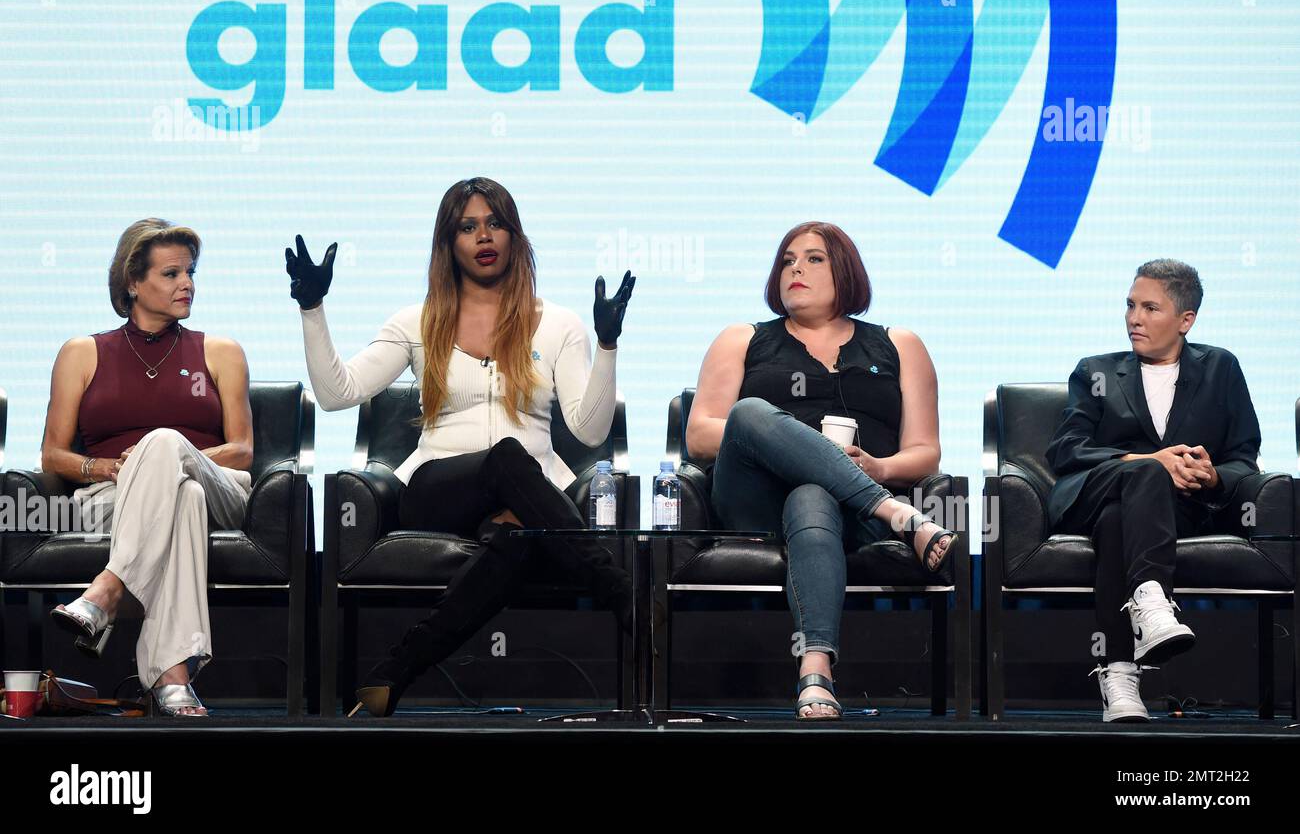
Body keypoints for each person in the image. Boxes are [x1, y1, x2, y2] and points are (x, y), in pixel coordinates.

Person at [287, 177, 636, 717]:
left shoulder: (560, 325)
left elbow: (589, 433)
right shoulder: (417, 321)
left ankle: (392, 674)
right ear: (449, 243)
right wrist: (313, 308)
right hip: (440, 487)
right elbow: (337, 394)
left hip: (531, 499)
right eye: (467, 227)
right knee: (506, 457)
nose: (483, 236)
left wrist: (608, 344)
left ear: (515, 237)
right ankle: (618, 588)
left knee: (516, 539)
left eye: (495, 223)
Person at [686, 222, 955, 721]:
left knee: (812, 494)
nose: (795, 269)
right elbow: (701, 433)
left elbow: (925, 451)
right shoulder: (743, 338)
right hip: (755, 502)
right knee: (748, 413)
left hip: (846, 514)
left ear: (845, 271)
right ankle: (899, 514)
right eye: (787, 260)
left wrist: (878, 466)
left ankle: (816, 671)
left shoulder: (900, 345)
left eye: (813, 259)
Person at [44, 218, 253, 717]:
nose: (187, 284)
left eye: (190, 272)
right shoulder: (82, 353)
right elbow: (53, 456)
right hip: (113, 497)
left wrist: (167, 452)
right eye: (171, 273)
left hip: (221, 482)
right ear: (132, 282)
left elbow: (242, 450)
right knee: (185, 500)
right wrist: (110, 467)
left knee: (166, 449)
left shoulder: (221, 351)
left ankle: (107, 590)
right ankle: (171, 677)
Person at [1046, 260, 1264, 722]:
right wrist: (1146, 462)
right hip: (1092, 492)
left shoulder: (1220, 368)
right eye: (1130, 305)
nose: (1133, 318)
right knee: (1145, 475)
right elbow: (1066, 450)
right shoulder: (1096, 372)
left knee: (1118, 522)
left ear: (1186, 320)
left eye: (1149, 307)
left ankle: (1120, 674)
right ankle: (1151, 602)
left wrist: (1212, 476)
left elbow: (1245, 456)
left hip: (1176, 510)